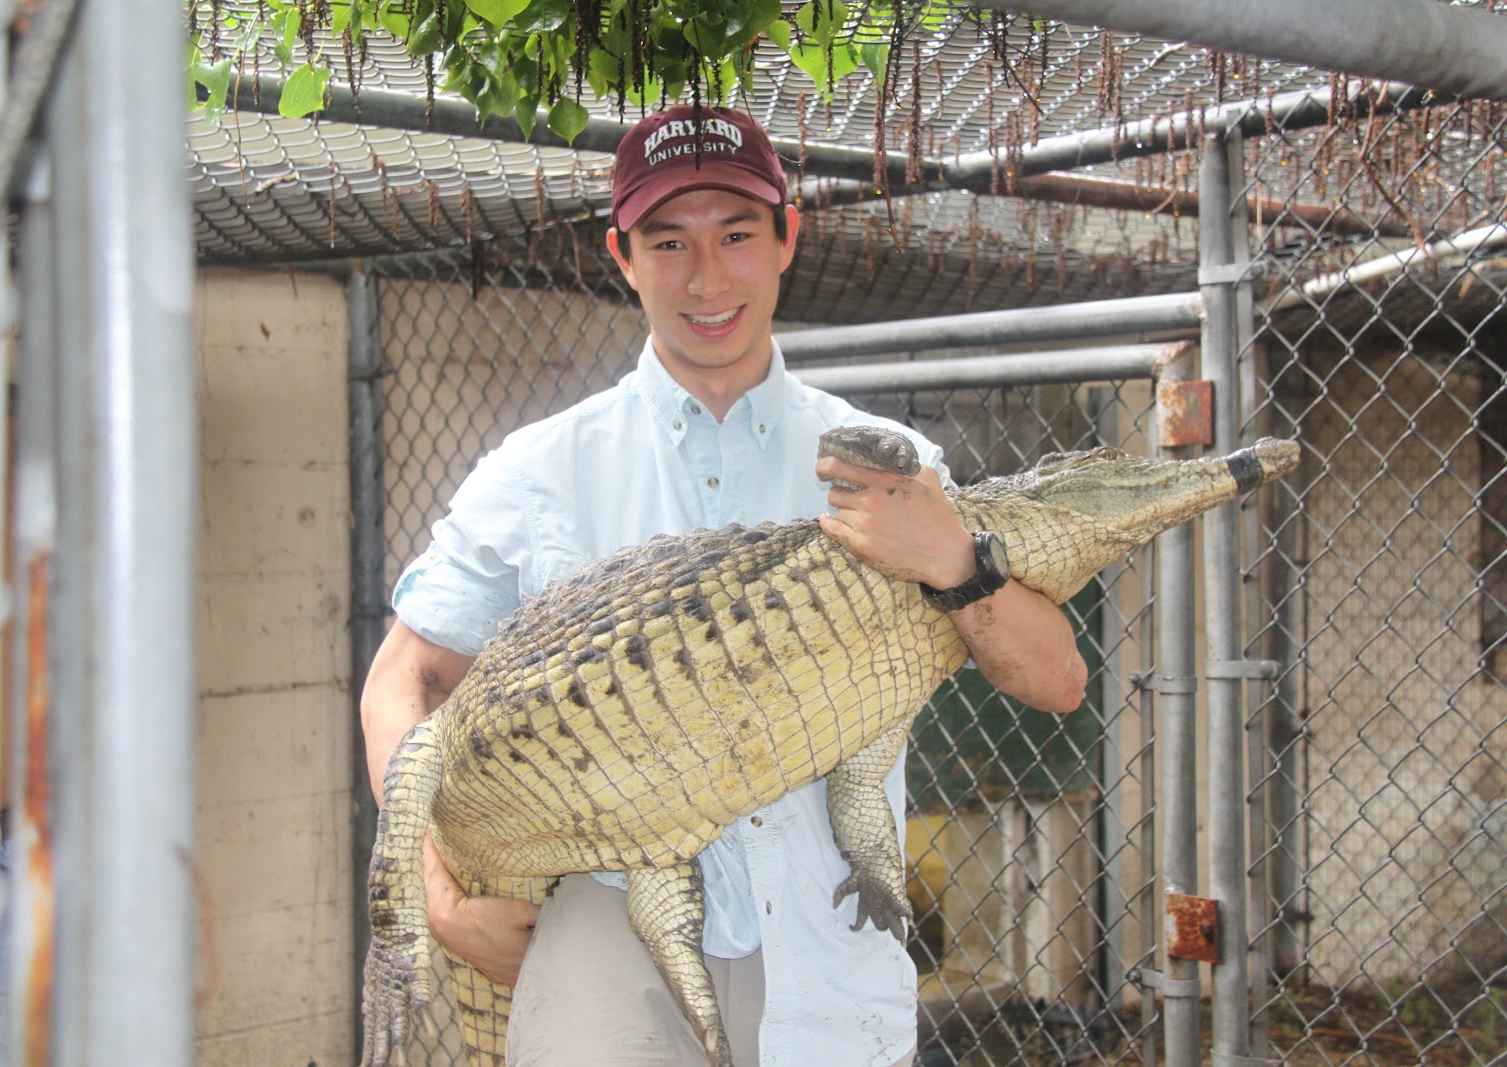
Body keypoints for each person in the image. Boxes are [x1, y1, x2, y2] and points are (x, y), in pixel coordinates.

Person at [359, 104, 1087, 1067]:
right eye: (670, 240)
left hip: (827, 938)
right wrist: (437, 895)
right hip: (607, 921)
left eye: (737, 234)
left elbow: (1058, 681)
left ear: (787, 238)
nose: (707, 277)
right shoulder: (538, 470)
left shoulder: (891, 463)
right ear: (623, 255)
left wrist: (952, 560)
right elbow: (400, 679)